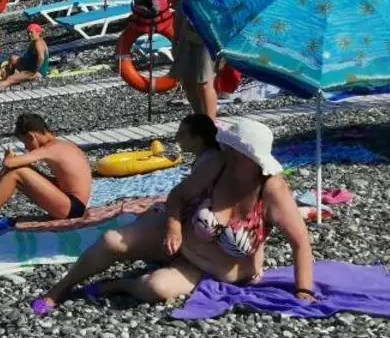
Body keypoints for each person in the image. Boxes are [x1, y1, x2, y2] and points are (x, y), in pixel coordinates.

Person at [32, 118, 314, 314]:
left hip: (215, 270)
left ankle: (115, 285)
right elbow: (177, 197)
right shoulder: (217, 166)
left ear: (249, 158)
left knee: (155, 287)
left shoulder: (271, 188)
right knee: (111, 240)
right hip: (183, 240)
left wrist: (304, 291)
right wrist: (174, 227)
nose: (225, 150)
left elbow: (300, 241)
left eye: (232, 149)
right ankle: (59, 290)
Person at [0, 114, 91, 234]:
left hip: (73, 208)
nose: (26, 148)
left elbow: (9, 164)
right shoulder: (63, 144)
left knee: (17, 172)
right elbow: (67, 182)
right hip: (71, 201)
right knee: (21, 169)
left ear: (32, 136)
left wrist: (8, 157)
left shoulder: (51, 148)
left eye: (25, 143)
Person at [171, 0, 218, 119]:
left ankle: (211, 123)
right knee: (188, 83)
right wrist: (175, 39)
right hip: (186, 37)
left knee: (204, 83)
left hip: (205, 40)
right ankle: (201, 118)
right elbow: (178, 17)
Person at [0, 23, 49, 91]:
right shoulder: (35, 41)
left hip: (37, 72)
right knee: (13, 58)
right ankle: (5, 77)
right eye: (28, 32)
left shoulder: (38, 43)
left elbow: (41, 58)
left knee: (11, 79)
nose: (29, 34)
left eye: (31, 32)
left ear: (38, 33)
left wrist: (35, 71)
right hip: (30, 66)